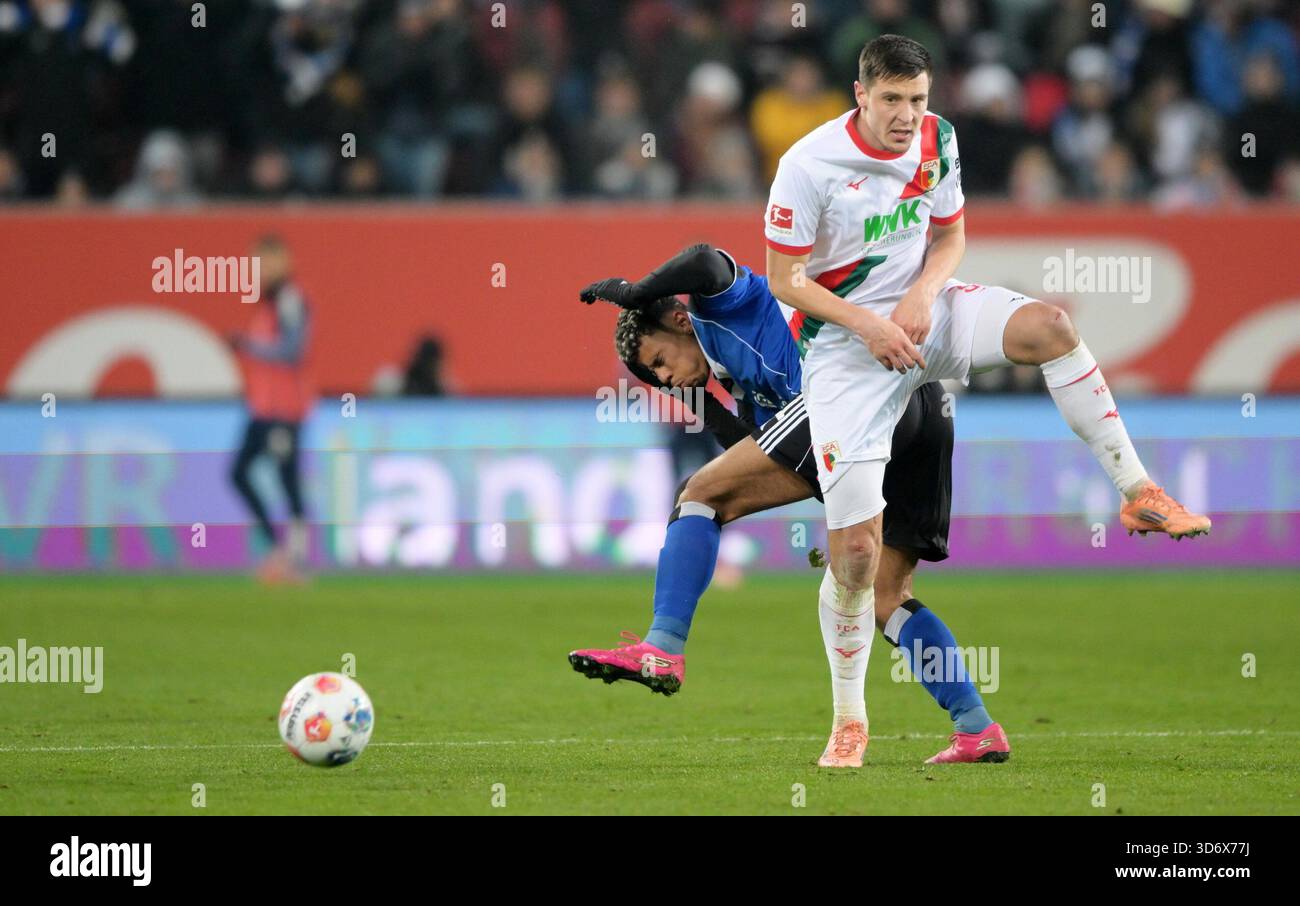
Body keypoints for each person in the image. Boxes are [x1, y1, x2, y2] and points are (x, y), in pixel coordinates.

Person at [763, 35, 1209, 763]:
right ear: (861, 96)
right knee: (856, 559)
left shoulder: (939, 139)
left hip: (924, 317)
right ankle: (850, 720)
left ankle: (1138, 491)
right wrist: (871, 323)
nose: (909, 116)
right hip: (846, 353)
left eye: (919, 99)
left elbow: (950, 238)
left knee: (1052, 328)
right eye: (893, 101)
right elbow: (785, 280)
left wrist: (922, 293)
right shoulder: (808, 166)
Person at [568, 244, 996, 768]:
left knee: (697, 495)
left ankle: (663, 644)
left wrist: (636, 293)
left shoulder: (716, 306)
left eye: (660, 361)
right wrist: (695, 395)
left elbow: (705, 258)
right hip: (919, 408)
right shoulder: (727, 377)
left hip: (851, 396)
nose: (665, 378)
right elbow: (758, 448)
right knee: (886, 597)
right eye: (654, 379)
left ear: (679, 319)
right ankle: (976, 727)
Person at [228, 234, 313, 583]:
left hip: (284, 409)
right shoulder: (268, 303)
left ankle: (293, 562)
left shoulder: (290, 300)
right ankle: (280, 552)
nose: (260, 269)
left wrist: (247, 345)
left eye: (266, 261)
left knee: (286, 479)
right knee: (239, 473)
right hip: (262, 408)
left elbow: (293, 350)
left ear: (284, 262)